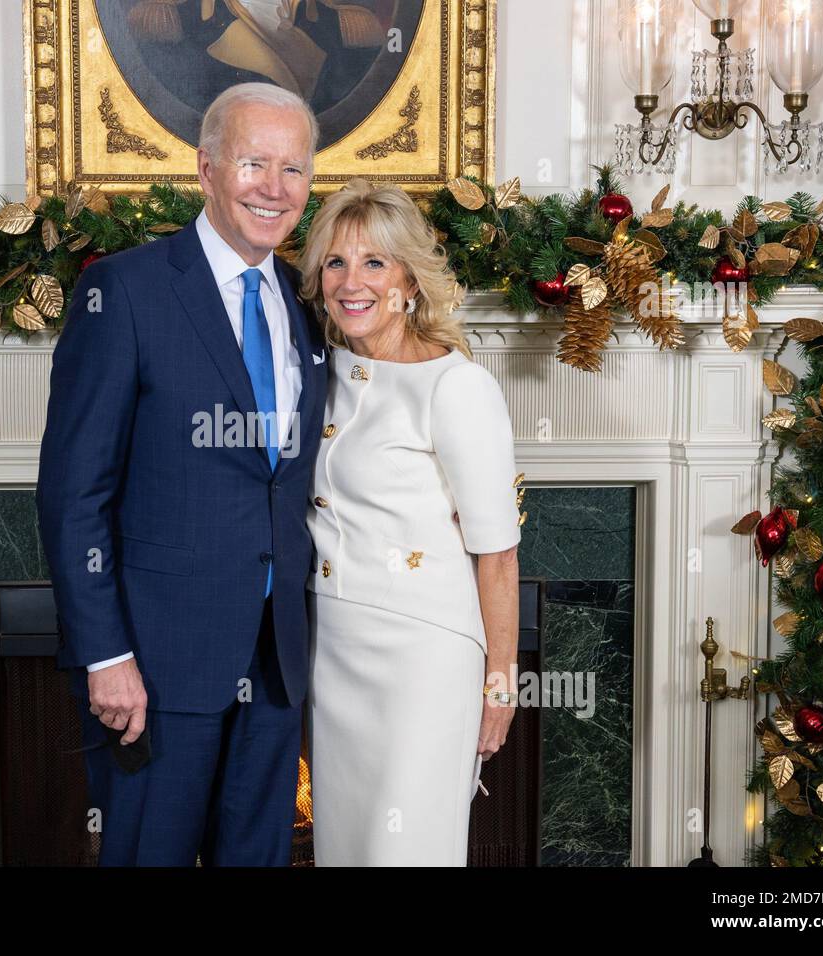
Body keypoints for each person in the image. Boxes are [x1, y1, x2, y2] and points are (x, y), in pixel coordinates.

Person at [36, 82, 328, 866]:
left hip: (275, 662)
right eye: (254, 163)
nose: (275, 188)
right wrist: (105, 655)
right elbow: (74, 494)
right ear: (205, 170)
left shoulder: (307, 301)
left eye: (294, 170)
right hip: (154, 666)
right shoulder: (124, 292)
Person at [297, 178, 523, 866]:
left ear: (409, 280)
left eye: (373, 262)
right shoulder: (319, 371)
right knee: (346, 849)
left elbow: (498, 555)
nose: (351, 281)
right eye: (335, 262)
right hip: (332, 655)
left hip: (424, 660)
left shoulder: (456, 387)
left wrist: (500, 686)